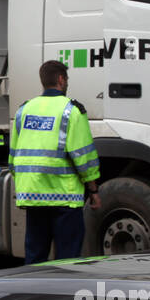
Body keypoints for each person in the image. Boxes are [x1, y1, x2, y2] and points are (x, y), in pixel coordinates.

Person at [10, 60, 102, 264]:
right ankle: (63, 296)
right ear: (61, 79)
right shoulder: (72, 111)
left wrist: (28, 183)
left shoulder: (23, 110)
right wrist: (93, 191)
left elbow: (13, 157)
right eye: (66, 79)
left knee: (35, 257)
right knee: (67, 261)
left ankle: (34, 295)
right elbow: (83, 157)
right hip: (64, 198)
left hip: (33, 195)